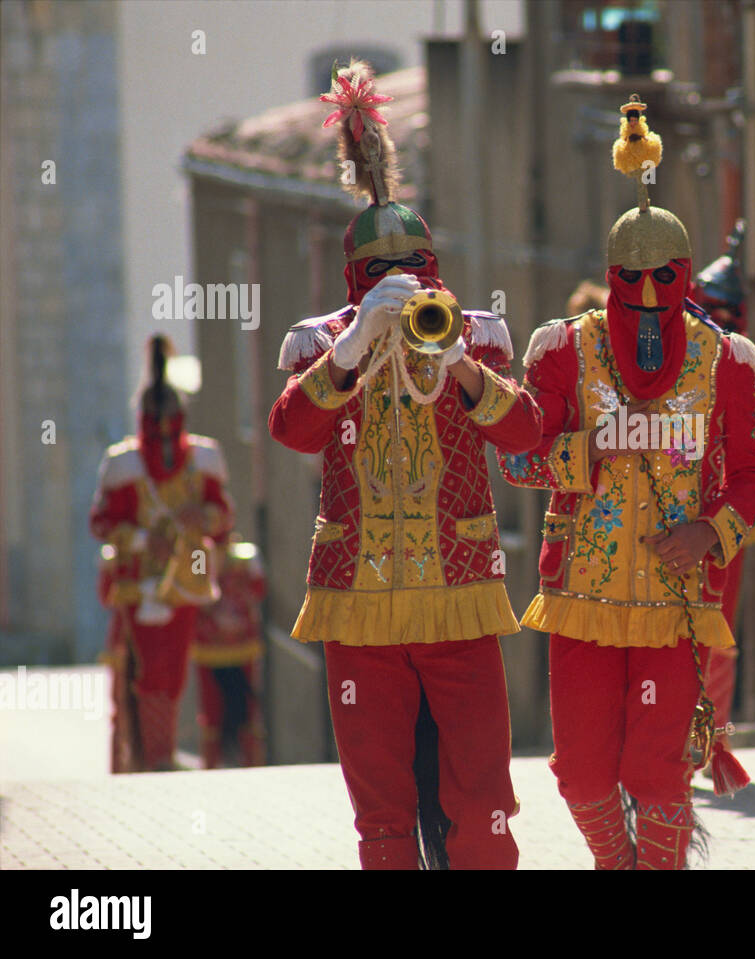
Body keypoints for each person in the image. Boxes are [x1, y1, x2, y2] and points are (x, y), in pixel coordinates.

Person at [268, 61, 542, 870]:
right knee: (381, 808)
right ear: (354, 281)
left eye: (415, 273)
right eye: (381, 277)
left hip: (461, 591)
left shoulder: (476, 333)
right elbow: (291, 431)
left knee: (484, 802)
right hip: (356, 601)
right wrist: (350, 348)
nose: (401, 286)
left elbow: (524, 430)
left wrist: (459, 364)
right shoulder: (321, 342)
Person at [499, 96, 755, 869]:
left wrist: (711, 533)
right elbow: (519, 458)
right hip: (579, 603)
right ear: (609, 275)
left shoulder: (726, 361)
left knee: (657, 776)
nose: (651, 294)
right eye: (634, 277)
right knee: (582, 774)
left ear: (686, 275)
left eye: (667, 277)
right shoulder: (561, 352)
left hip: (677, 603)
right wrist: (581, 454)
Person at [91, 335, 233, 773]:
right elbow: (101, 523)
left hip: (186, 577)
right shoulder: (123, 463)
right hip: (136, 582)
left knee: (172, 671)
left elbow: (223, 517)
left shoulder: (204, 459)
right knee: (139, 671)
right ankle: (143, 758)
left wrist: (202, 516)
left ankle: (162, 753)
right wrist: (137, 539)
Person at [688, 219, 755, 752]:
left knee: (719, 630)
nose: (724, 320)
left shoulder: (752, 369)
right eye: (716, 308)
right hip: (668, 509)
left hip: (728, 519)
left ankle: (713, 741)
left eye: (733, 314)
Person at [192, 534, 266, 768]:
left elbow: (259, 589)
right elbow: (194, 591)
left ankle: (250, 765)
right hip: (208, 647)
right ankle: (211, 767)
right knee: (212, 711)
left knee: (246, 709)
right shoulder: (198, 555)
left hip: (241, 646)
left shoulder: (244, 556)